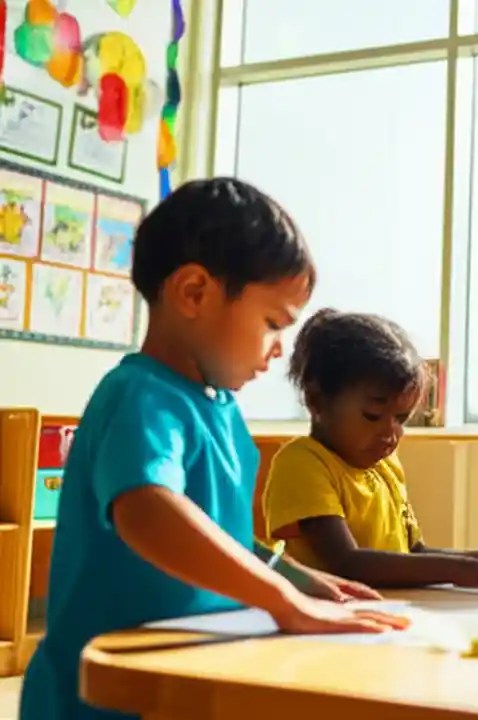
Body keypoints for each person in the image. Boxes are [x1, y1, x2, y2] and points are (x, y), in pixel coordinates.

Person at [20, 179, 406, 720]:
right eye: (273, 323)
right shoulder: (141, 396)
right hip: (105, 698)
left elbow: (218, 534)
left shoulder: (219, 408)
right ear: (194, 293)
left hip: (184, 682)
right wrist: (283, 602)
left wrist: (298, 577)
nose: (278, 350)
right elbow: (150, 512)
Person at [262, 309, 478, 587]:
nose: (390, 433)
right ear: (317, 401)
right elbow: (347, 563)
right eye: (372, 416)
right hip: (332, 622)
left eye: (401, 419)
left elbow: (413, 553)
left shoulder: (385, 466)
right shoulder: (302, 464)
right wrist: (462, 569)